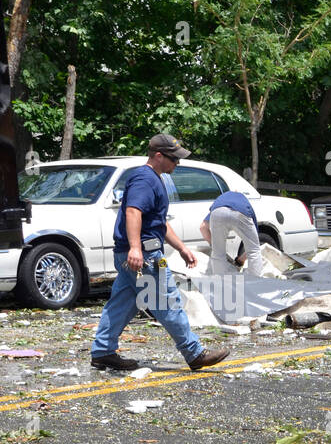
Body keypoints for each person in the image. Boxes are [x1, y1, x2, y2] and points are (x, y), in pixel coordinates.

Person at [90, 134, 229, 372]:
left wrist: (182, 248)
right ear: (158, 156)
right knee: (167, 301)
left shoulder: (153, 179)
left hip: (134, 254)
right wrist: (136, 247)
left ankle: (103, 351)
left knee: (123, 303)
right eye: (174, 159)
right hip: (144, 255)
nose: (177, 163)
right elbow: (134, 212)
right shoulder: (145, 179)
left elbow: (159, 222)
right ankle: (194, 353)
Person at [201, 189, 264, 278]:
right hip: (241, 212)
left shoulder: (220, 202)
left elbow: (203, 227)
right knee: (254, 250)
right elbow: (253, 245)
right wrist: (240, 261)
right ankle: (256, 281)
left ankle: (221, 283)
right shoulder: (244, 202)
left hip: (218, 213)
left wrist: (215, 245)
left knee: (218, 254)